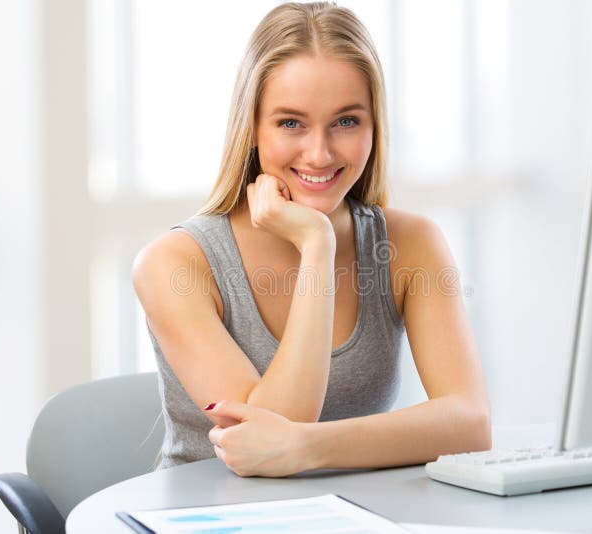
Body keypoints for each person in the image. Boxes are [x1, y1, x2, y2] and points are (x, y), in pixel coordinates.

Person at [133, 1, 490, 478]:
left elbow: (470, 424)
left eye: (346, 121)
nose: (319, 154)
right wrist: (318, 247)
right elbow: (269, 442)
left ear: (374, 127)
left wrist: (310, 448)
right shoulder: (173, 263)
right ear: (252, 129)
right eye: (290, 123)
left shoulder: (412, 244)